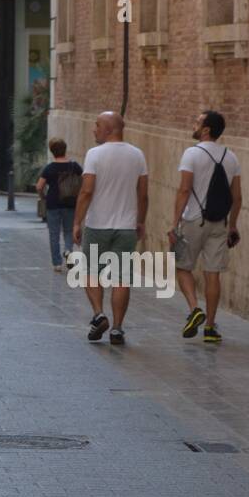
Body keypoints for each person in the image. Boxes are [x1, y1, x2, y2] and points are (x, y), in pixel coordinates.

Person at [72, 112, 148, 346]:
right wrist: (140, 221)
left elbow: (86, 191)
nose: (94, 130)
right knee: (122, 278)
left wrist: (77, 221)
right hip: (126, 227)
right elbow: (143, 194)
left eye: (97, 126)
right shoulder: (137, 155)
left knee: (91, 272)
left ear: (108, 129)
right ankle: (117, 328)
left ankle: (98, 314)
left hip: (97, 225)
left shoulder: (95, 154)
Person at [167, 110, 241, 345]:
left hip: (193, 221)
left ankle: (194, 309)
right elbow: (237, 197)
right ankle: (210, 327)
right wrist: (233, 226)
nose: (194, 124)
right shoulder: (231, 157)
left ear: (206, 129)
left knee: (182, 266)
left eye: (197, 122)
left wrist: (174, 223)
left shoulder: (192, 154)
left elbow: (184, 189)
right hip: (220, 223)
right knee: (213, 274)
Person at [36, 139, 83, 272]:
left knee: (54, 234)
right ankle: (68, 250)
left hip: (53, 204)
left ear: (52, 151)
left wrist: (43, 197)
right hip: (70, 203)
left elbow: (39, 186)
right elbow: (84, 181)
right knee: (69, 231)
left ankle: (57, 263)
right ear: (65, 149)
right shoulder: (75, 166)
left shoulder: (50, 168)